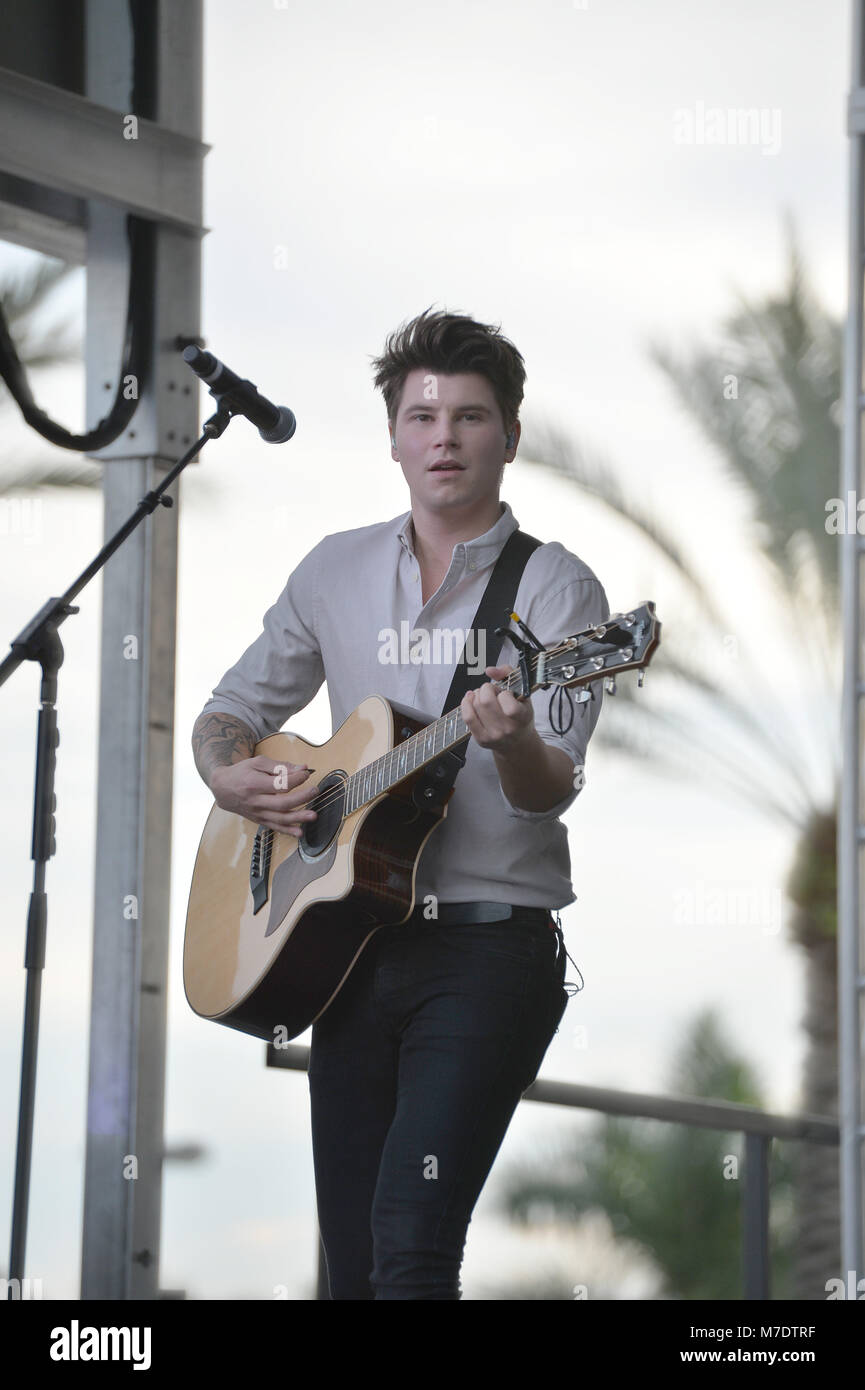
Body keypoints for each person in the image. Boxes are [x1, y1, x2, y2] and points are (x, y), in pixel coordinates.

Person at [191, 307, 610, 1299]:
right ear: (392, 435)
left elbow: (552, 788)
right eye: (422, 415)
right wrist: (224, 771)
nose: (444, 437)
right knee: (350, 1267)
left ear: (508, 435)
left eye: (469, 416)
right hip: (347, 952)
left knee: (410, 1241)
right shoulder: (333, 570)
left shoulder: (555, 592)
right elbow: (230, 711)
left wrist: (508, 741)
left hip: (485, 952)